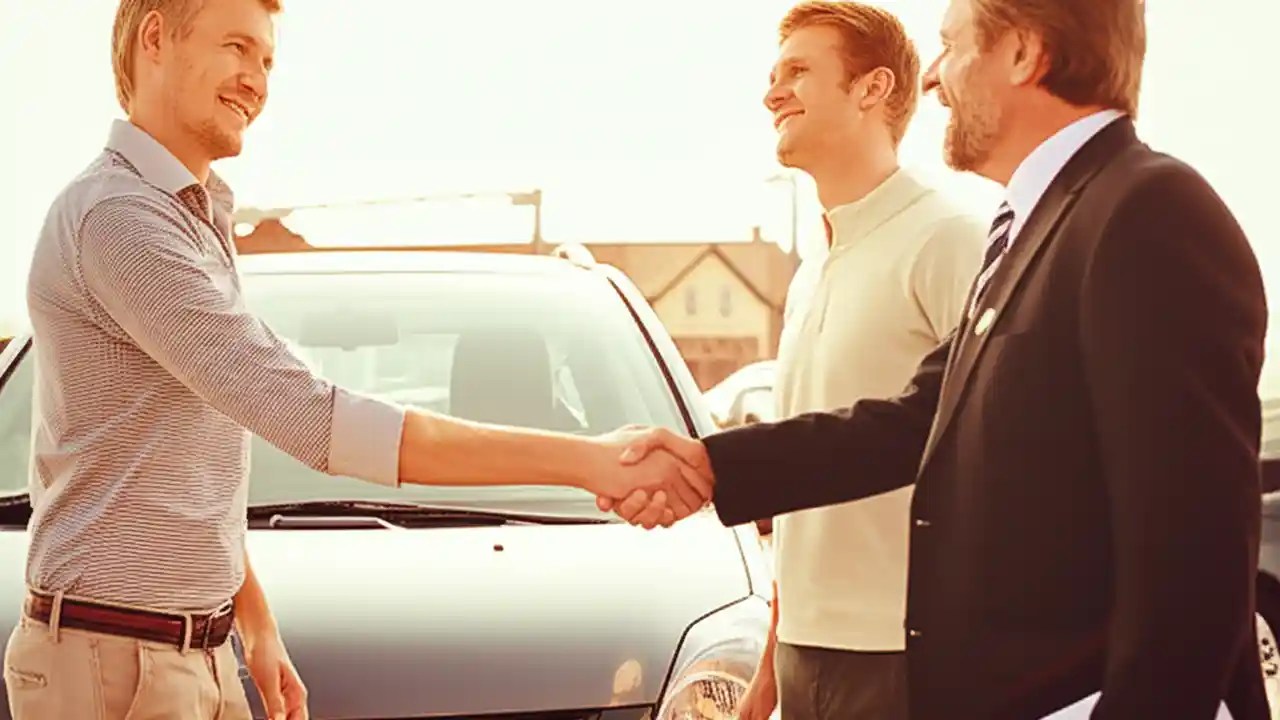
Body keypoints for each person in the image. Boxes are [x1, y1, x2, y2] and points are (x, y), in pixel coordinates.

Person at [6, 1, 705, 719]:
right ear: (155, 37)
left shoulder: (189, 214)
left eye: (267, 60)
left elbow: (182, 468)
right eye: (237, 48)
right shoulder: (121, 220)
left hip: (186, 652)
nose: (256, 79)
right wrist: (589, 462)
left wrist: (254, 621)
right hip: (114, 666)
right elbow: (314, 419)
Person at [605, 0, 1271, 717]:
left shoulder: (1148, 212)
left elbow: (1193, 562)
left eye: (952, 48)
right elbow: (917, 423)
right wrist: (713, 465)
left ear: (1022, 54)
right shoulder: (1033, 228)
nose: (932, 80)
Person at [735, 4, 984, 719]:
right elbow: (806, 470)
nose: (772, 93)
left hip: (905, 656)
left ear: (872, 89)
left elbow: (992, 456)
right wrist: (772, 661)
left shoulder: (949, 239)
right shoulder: (813, 265)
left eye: (798, 72)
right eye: (773, 75)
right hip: (802, 652)